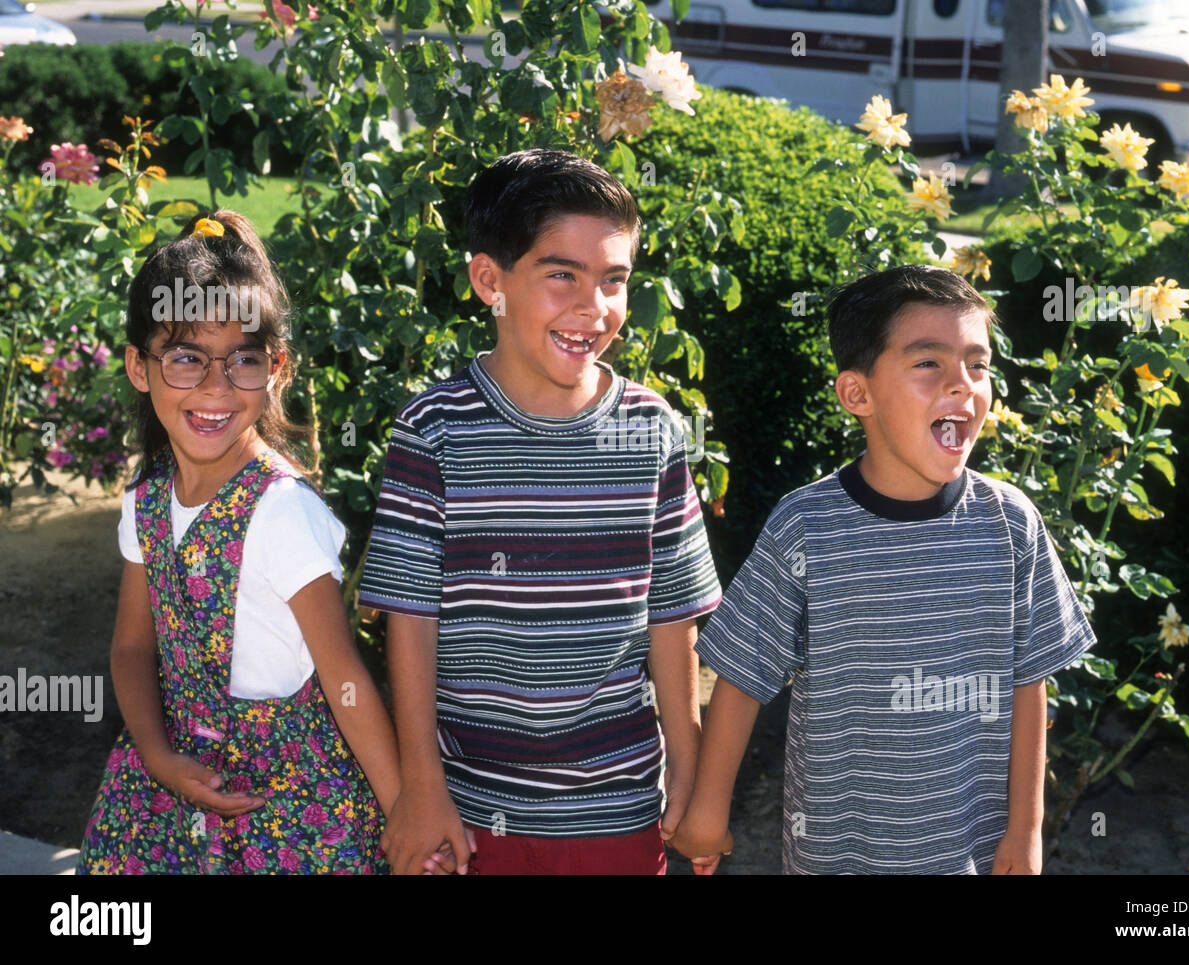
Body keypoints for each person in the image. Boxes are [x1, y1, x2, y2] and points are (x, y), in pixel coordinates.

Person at [359, 148, 721, 875]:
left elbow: (673, 616)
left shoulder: (653, 431)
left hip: (617, 811)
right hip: (470, 811)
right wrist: (421, 785)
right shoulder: (434, 431)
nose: (595, 308)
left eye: (614, 280)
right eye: (564, 275)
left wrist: (691, 769)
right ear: (489, 279)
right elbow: (411, 620)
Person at [669, 264, 1098, 874]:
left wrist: (1025, 832)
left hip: (967, 852)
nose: (962, 385)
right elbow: (742, 678)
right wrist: (708, 811)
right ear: (857, 394)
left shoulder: (1011, 524)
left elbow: (1030, 684)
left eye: (978, 364)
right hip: (837, 855)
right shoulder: (805, 525)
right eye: (929, 363)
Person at [78, 211, 399, 874]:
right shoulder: (146, 498)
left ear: (275, 366)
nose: (216, 387)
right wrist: (161, 756)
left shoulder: (280, 511)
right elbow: (133, 647)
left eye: (243, 360)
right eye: (187, 357)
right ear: (139, 365)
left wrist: (406, 814)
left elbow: (345, 679)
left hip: (288, 812)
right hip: (165, 791)